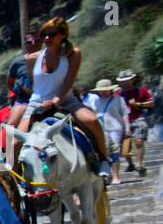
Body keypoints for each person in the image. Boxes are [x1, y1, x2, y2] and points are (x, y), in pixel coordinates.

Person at [14, 17, 111, 181]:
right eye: (43, 35)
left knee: (92, 120)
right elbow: (38, 85)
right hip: (37, 103)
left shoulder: (74, 55)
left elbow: (69, 82)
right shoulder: (32, 58)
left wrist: (55, 101)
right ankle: (15, 180)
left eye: (51, 34)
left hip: (65, 99)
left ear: (63, 35)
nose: (46, 39)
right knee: (16, 142)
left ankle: (103, 159)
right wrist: (39, 102)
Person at [86, 79, 130, 185]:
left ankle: (116, 176)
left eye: (105, 90)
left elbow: (125, 114)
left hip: (115, 129)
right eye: (101, 90)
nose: (103, 92)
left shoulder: (118, 99)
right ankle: (107, 175)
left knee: (113, 151)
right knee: (103, 152)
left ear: (110, 89)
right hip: (100, 129)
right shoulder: (93, 101)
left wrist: (127, 128)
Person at [117, 70, 154, 176]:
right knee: (125, 148)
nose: (125, 83)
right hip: (123, 121)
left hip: (138, 118)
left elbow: (151, 103)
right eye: (123, 81)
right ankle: (130, 164)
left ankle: (139, 164)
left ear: (132, 80)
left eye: (127, 80)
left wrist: (137, 103)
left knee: (139, 142)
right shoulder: (118, 94)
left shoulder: (142, 90)